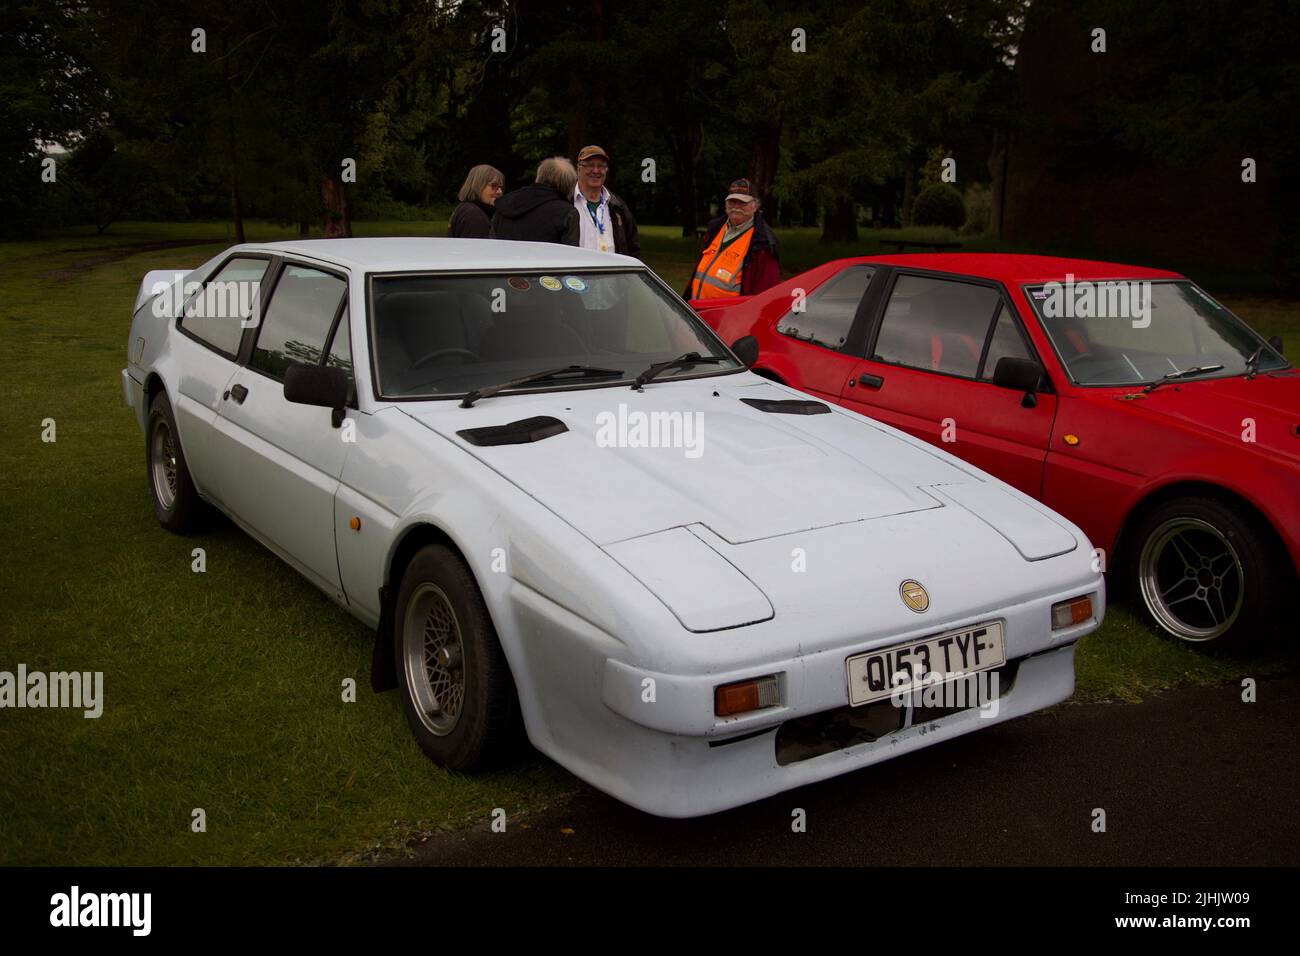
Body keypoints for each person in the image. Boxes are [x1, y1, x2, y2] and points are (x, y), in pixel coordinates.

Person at [685, 178, 780, 299]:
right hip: (696, 312)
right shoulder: (714, 229)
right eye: (732, 201)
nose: (736, 206)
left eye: (742, 202)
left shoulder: (763, 243)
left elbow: (766, 295)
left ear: (755, 205)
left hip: (729, 316)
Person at [490, 157, 580, 245]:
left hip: (505, 259)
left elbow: (492, 245)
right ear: (567, 185)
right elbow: (570, 256)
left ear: (539, 175)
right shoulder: (567, 213)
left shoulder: (505, 205)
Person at [572, 145, 640, 256]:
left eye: (601, 166)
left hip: (612, 273)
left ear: (606, 169)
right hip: (575, 273)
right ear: (579, 168)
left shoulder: (618, 207)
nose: (596, 170)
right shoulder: (566, 202)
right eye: (590, 165)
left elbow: (633, 250)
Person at [448, 165, 504, 238]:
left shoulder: (466, 209)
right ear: (478, 186)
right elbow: (478, 249)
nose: (500, 191)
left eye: (501, 187)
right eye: (493, 186)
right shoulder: (474, 216)